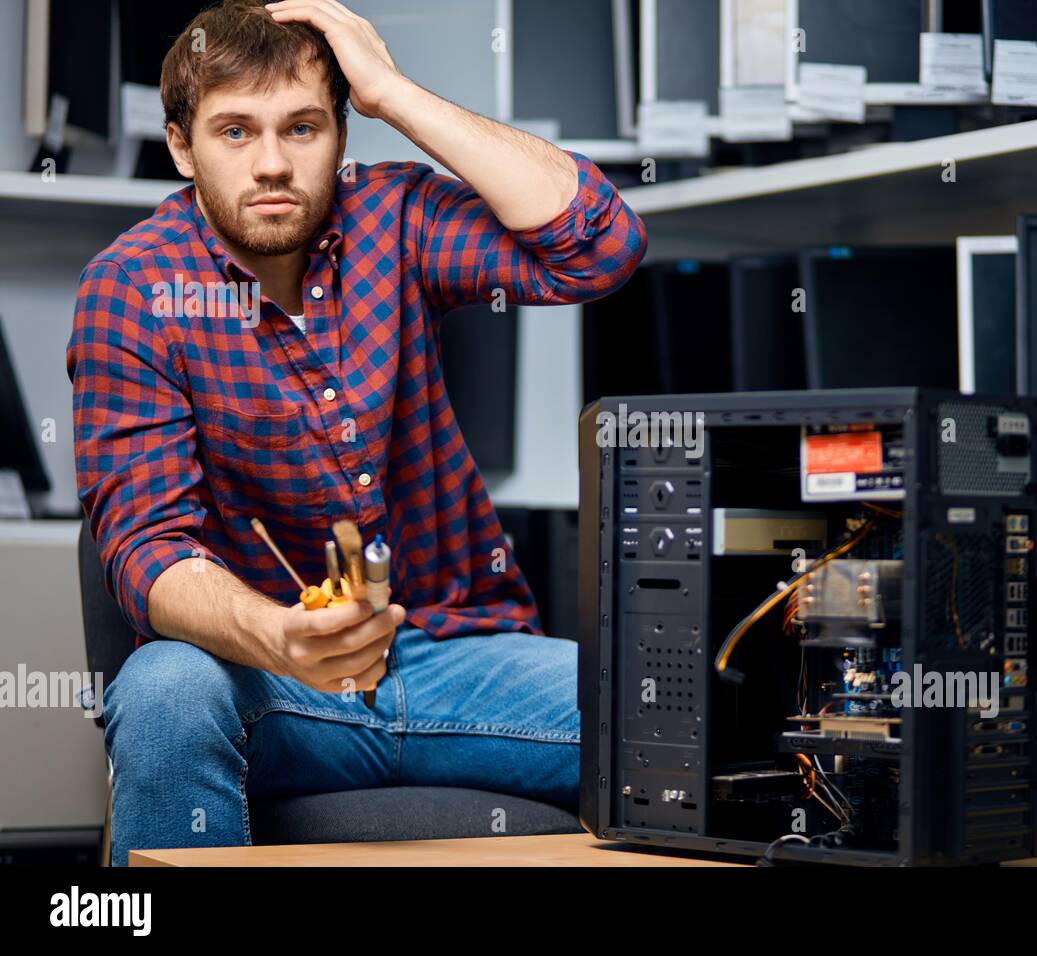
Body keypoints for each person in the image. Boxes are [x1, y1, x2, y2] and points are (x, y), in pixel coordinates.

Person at [66, 0, 647, 866]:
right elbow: (146, 548)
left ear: (342, 133)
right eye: (235, 131)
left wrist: (394, 92)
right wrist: (279, 636)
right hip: (264, 684)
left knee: (675, 711)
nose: (272, 165)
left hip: (450, 659)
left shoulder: (393, 219)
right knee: (164, 690)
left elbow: (599, 246)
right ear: (182, 147)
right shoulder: (133, 288)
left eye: (303, 128)